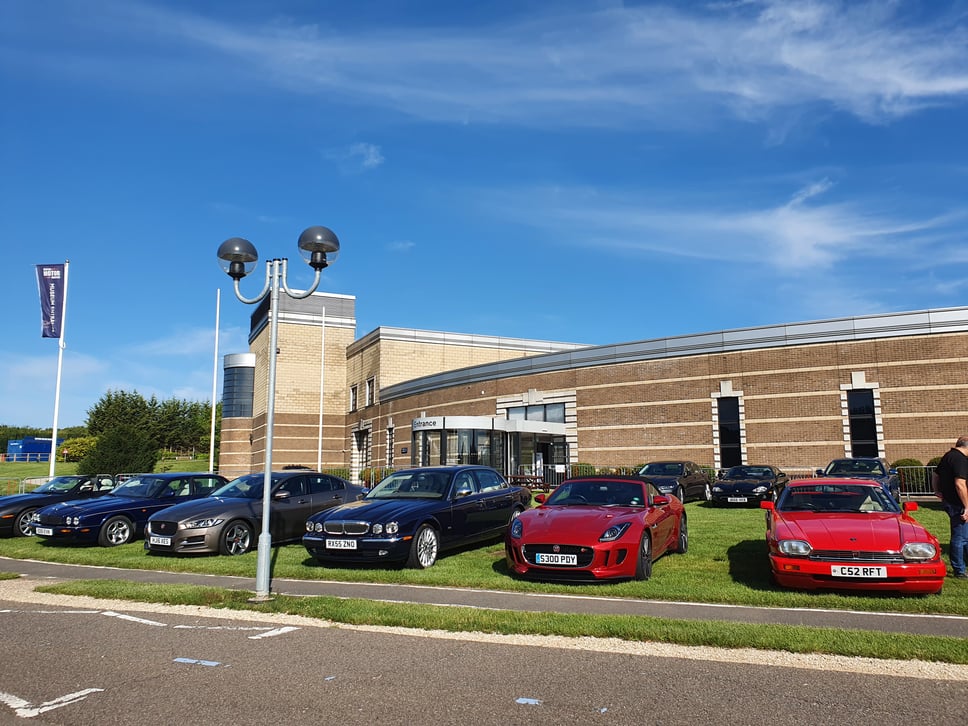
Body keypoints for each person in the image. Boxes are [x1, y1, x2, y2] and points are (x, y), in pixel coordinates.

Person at [933, 436, 968, 578]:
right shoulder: (959, 459)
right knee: (960, 537)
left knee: (965, 536)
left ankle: (961, 565)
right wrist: (966, 507)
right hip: (957, 504)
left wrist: (936, 490)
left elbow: (935, 474)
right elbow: (960, 484)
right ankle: (959, 569)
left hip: (949, 500)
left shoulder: (948, 456)